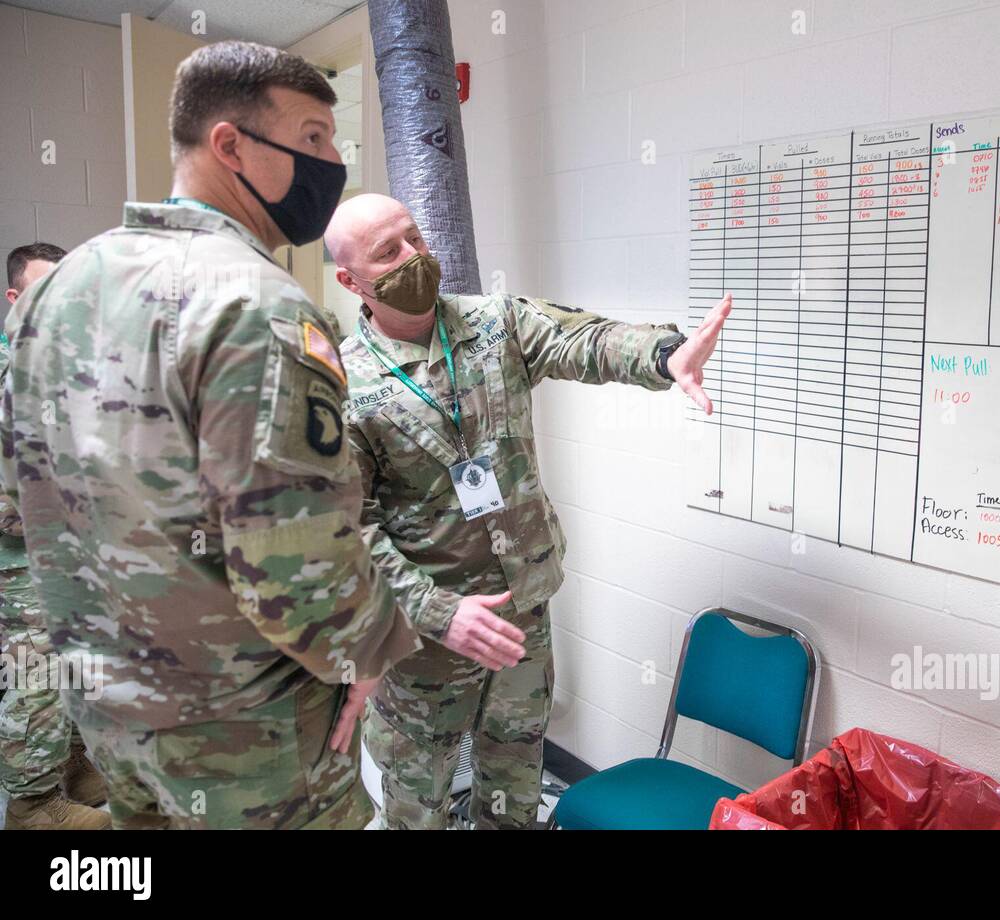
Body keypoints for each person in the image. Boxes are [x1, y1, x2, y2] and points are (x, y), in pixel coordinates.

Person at [0, 41, 429, 829]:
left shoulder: (55, 290)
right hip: (244, 737)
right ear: (230, 145)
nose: (333, 163)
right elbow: (295, 567)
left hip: (105, 706)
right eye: (311, 139)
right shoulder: (256, 304)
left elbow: (25, 487)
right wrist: (369, 651)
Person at [323, 192, 731, 829]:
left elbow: (583, 339)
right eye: (389, 252)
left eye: (416, 238)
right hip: (424, 641)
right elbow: (347, 529)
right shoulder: (344, 386)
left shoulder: (494, 324)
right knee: (416, 806)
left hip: (523, 614)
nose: (414, 256)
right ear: (352, 281)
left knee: (513, 788)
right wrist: (439, 611)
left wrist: (662, 355)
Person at [0, 242, 110, 830]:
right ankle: (33, 804)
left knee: (71, 666)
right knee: (33, 675)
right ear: (15, 299)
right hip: (21, 567)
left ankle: (69, 766)